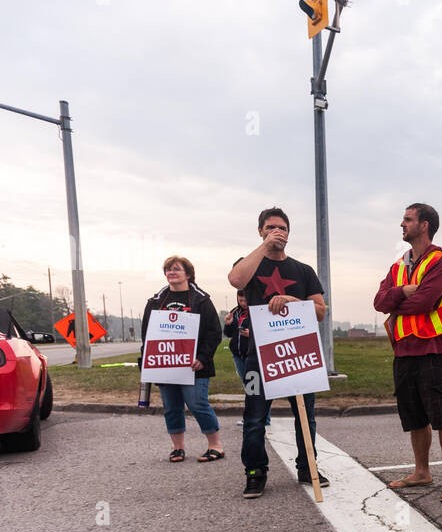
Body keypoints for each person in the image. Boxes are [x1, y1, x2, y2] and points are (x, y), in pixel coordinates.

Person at [227, 207, 328, 498]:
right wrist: (264, 246)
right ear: (260, 230)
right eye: (271, 227)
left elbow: (320, 311)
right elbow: (235, 280)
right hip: (257, 357)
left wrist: (294, 300)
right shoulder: (252, 265)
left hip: (298, 355)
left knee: (305, 416)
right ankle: (255, 472)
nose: (278, 232)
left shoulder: (303, 271)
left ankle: (308, 466)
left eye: (282, 228)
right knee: (255, 416)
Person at [373, 203, 442, 504]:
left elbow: (427, 301)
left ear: (424, 225)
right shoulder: (398, 266)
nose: (402, 224)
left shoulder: (441, 262)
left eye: (408, 219)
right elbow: (379, 301)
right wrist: (402, 292)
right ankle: (422, 472)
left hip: (433, 350)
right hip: (404, 352)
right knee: (414, 417)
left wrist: (397, 301)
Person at [139, 256, 224, 463]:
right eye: (168, 269)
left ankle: (215, 446)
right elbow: (147, 334)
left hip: (194, 366)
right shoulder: (156, 301)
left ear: (188, 274)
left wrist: (203, 357)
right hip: (165, 365)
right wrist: (147, 360)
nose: (171, 272)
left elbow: (214, 332)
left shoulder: (201, 300)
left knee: (197, 404)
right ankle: (178, 448)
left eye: (176, 269)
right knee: (171, 406)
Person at [223, 290, 270, 427]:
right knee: (249, 386)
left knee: (253, 388)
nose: (243, 303)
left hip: (252, 355)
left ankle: (258, 418)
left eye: (245, 301)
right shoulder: (235, 312)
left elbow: (268, 333)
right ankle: (256, 417)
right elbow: (228, 333)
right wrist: (228, 323)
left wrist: (253, 334)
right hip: (238, 354)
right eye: (240, 301)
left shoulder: (259, 311)